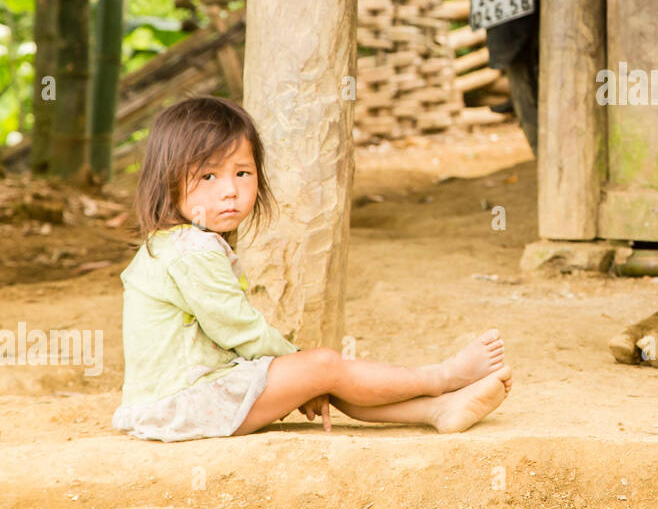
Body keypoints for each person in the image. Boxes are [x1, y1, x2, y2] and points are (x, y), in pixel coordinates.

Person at [111, 95, 511, 442]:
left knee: (323, 374)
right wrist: (300, 366)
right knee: (324, 366)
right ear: (166, 181)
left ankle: (437, 410)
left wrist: (300, 375)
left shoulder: (180, 243)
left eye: (242, 173)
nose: (230, 189)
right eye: (208, 176)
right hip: (183, 405)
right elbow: (242, 333)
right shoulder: (190, 250)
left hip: (191, 396)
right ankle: (441, 378)